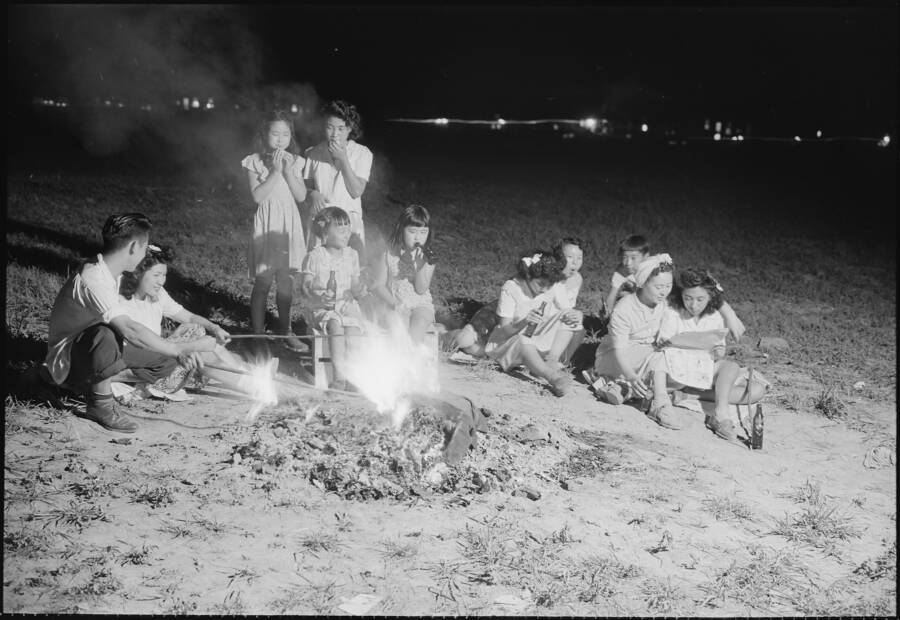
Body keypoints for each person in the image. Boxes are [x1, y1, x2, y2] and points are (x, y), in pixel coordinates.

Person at [40, 213, 218, 433]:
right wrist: (178, 349)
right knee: (106, 332)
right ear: (134, 247)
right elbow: (129, 328)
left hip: (92, 352)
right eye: (144, 249)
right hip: (67, 363)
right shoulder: (94, 278)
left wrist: (174, 352)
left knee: (165, 361)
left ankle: (103, 378)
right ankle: (99, 405)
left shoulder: (111, 272)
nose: (145, 255)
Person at [116, 245, 267, 401]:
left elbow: (188, 317)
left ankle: (246, 374)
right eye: (156, 275)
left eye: (164, 275)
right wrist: (193, 346)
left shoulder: (157, 294)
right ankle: (252, 384)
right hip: (146, 372)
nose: (161, 281)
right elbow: (137, 348)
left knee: (196, 330)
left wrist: (214, 328)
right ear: (137, 273)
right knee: (199, 351)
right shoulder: (121, 303)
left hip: (160, 357)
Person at [655, 268, 771, 441]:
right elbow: (664, 346)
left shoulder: (714, 317)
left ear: (710, 298)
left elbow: (718, 351)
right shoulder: (673, 313)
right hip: (677, 369)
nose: (693, 305)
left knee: (754, 389)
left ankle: (712, 409)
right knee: (665, 359)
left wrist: (718, 352)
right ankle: (717, 411)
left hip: (702, 371)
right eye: (688, 298)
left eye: (700, 299)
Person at [587, 254, 682, 428]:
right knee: (660, 359)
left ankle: (622, 388)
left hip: (643, 354)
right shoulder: (625, 308)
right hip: (615, 358)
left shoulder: (661, 304)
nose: (664, 291)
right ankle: (660, 404)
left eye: (668, 286)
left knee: (679, 366)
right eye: (659, 287)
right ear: (644, 282)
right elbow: (620, 350)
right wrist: (631, 374)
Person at [241, 109, 308, 353]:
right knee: (263, 281)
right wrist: (275, 171)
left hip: (288, 226)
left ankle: (285, 330)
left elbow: (300, 196)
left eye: (285, 134)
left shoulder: (296, 161)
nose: (280, 139)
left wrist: (288, 170)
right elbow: (258, 196)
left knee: (285, 283)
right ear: (264, 135)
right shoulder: (254, 161)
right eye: (275, 134)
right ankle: (257, 334)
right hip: (268, 226)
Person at [483, 251, 573, 397]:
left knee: (569, 319)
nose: (544, 289)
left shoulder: (549, 286)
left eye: (549, 285)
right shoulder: (512, 288)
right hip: (508, 342)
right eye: (540, 284)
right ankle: (553, 377)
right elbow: (505, 330)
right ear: (529, 275)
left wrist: (571, 315)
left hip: (534, 336)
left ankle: (550, 360)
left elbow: (564, 311)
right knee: (523, 341)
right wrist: (524, 321)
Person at [300, 207, 365, 391]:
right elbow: (306, 286)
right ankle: (339, 377)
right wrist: (318, 295)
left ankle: (354, 376)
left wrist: (358, 290)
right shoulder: (315, 257)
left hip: (346, 306)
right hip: (323, 308)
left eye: (348, 228)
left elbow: (355, 284)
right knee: (335, 324)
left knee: (353, 330)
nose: (347, 234)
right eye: (341, 230)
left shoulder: (352, 255)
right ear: (325, 234)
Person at [303, 100, 373, 255]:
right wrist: (312, 194)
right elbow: (305, 188)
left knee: (346, 271)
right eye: (330, 127)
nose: (335, 134)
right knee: (319, 270)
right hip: (321, 224)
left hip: (347, 224)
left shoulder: (362, 154)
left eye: (341, 129)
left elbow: (356, 191)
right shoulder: (313, 153)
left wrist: (343, 159)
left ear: (349, 129)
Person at [370, 205, 436, 343]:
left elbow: (421, 289)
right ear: (401, 230)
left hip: (421, 304)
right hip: (397, 303)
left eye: (423, 232)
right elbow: (379, 285)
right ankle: (400, 359)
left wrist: (419, 266)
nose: (418, 237)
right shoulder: (389, 255)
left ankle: (414, 357)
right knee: (398, 323)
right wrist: (394, 303)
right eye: (412, 231)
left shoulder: (428, 259)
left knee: (419, 322)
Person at [604, 234, 650, 317]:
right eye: (625, 257)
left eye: (633, 258)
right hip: (636, 297)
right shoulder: (622, 271)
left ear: (646, 257)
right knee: (623, 296)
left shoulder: (653, 273)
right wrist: (607, 312)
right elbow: (611, 296)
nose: (628, 263)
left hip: (654, 301)